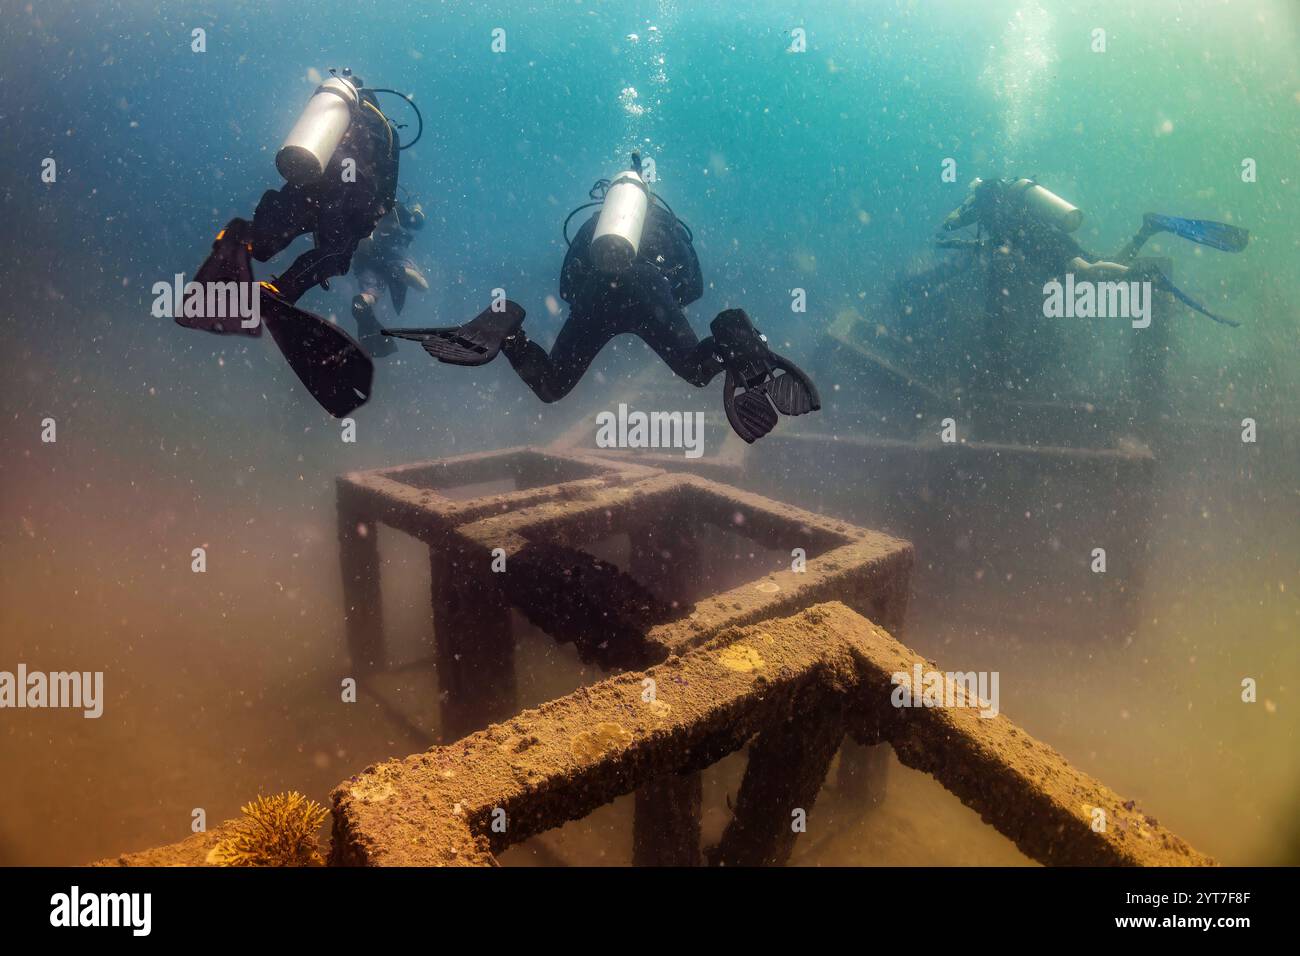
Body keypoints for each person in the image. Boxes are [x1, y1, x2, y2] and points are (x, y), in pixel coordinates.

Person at [386, 154, 819, 442]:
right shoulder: (665, 223)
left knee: (552, 385)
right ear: (648, 198)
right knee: (696, 370)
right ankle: (735, 339)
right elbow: (695, 284)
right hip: (651, 291)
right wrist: (664, 304)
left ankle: (511, 333)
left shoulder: (594, 225)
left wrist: (596, 306)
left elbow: (566, 287)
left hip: (596, 294)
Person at [178, 68, 422, 417]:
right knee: (337, 255)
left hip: (310, 176)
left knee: (270, 236)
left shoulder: (337, 118)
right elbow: (386, 191)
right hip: (351, 187)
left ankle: (240, 239)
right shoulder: (384, 131)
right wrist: (372, 215)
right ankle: (280, 291)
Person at [938, 176, 1248, 326]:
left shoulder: (996, 214)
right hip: (1049, 238)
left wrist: (957, 236)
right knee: (1103, 264)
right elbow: (1001, 243)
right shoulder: (1009, 209)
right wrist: (963, 244)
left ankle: (1141, 274)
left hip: (1045, 247)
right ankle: (1146, 229)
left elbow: (1000, 240)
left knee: (1087, 271)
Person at [350, 196, 428, 356]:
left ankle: (360, 304)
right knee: (422, 285)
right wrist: (418, 211)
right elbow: (417, 222)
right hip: (387, 258)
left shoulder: (358, 204)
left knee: (370, 295)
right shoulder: (395, 209)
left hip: (369, 259)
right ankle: (398, 272)